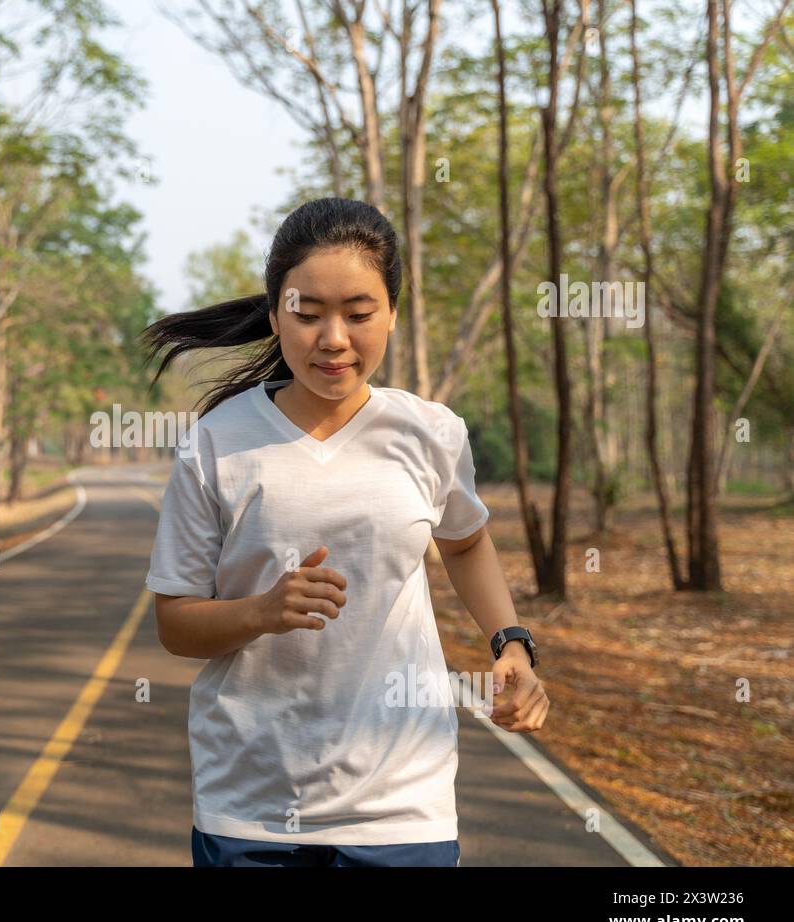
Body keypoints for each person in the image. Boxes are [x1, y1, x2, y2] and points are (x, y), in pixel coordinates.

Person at [139, 197, 549, 868]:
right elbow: (175, 624)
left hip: (403, 806)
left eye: (359, 314)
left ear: (392, 314)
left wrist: (511, 644)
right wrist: (260, 612)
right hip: (252, 804)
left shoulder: (430, 433)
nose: (334, 338)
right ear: (275, 315)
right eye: (307, 314)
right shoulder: (216, 443)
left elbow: (466, 540)